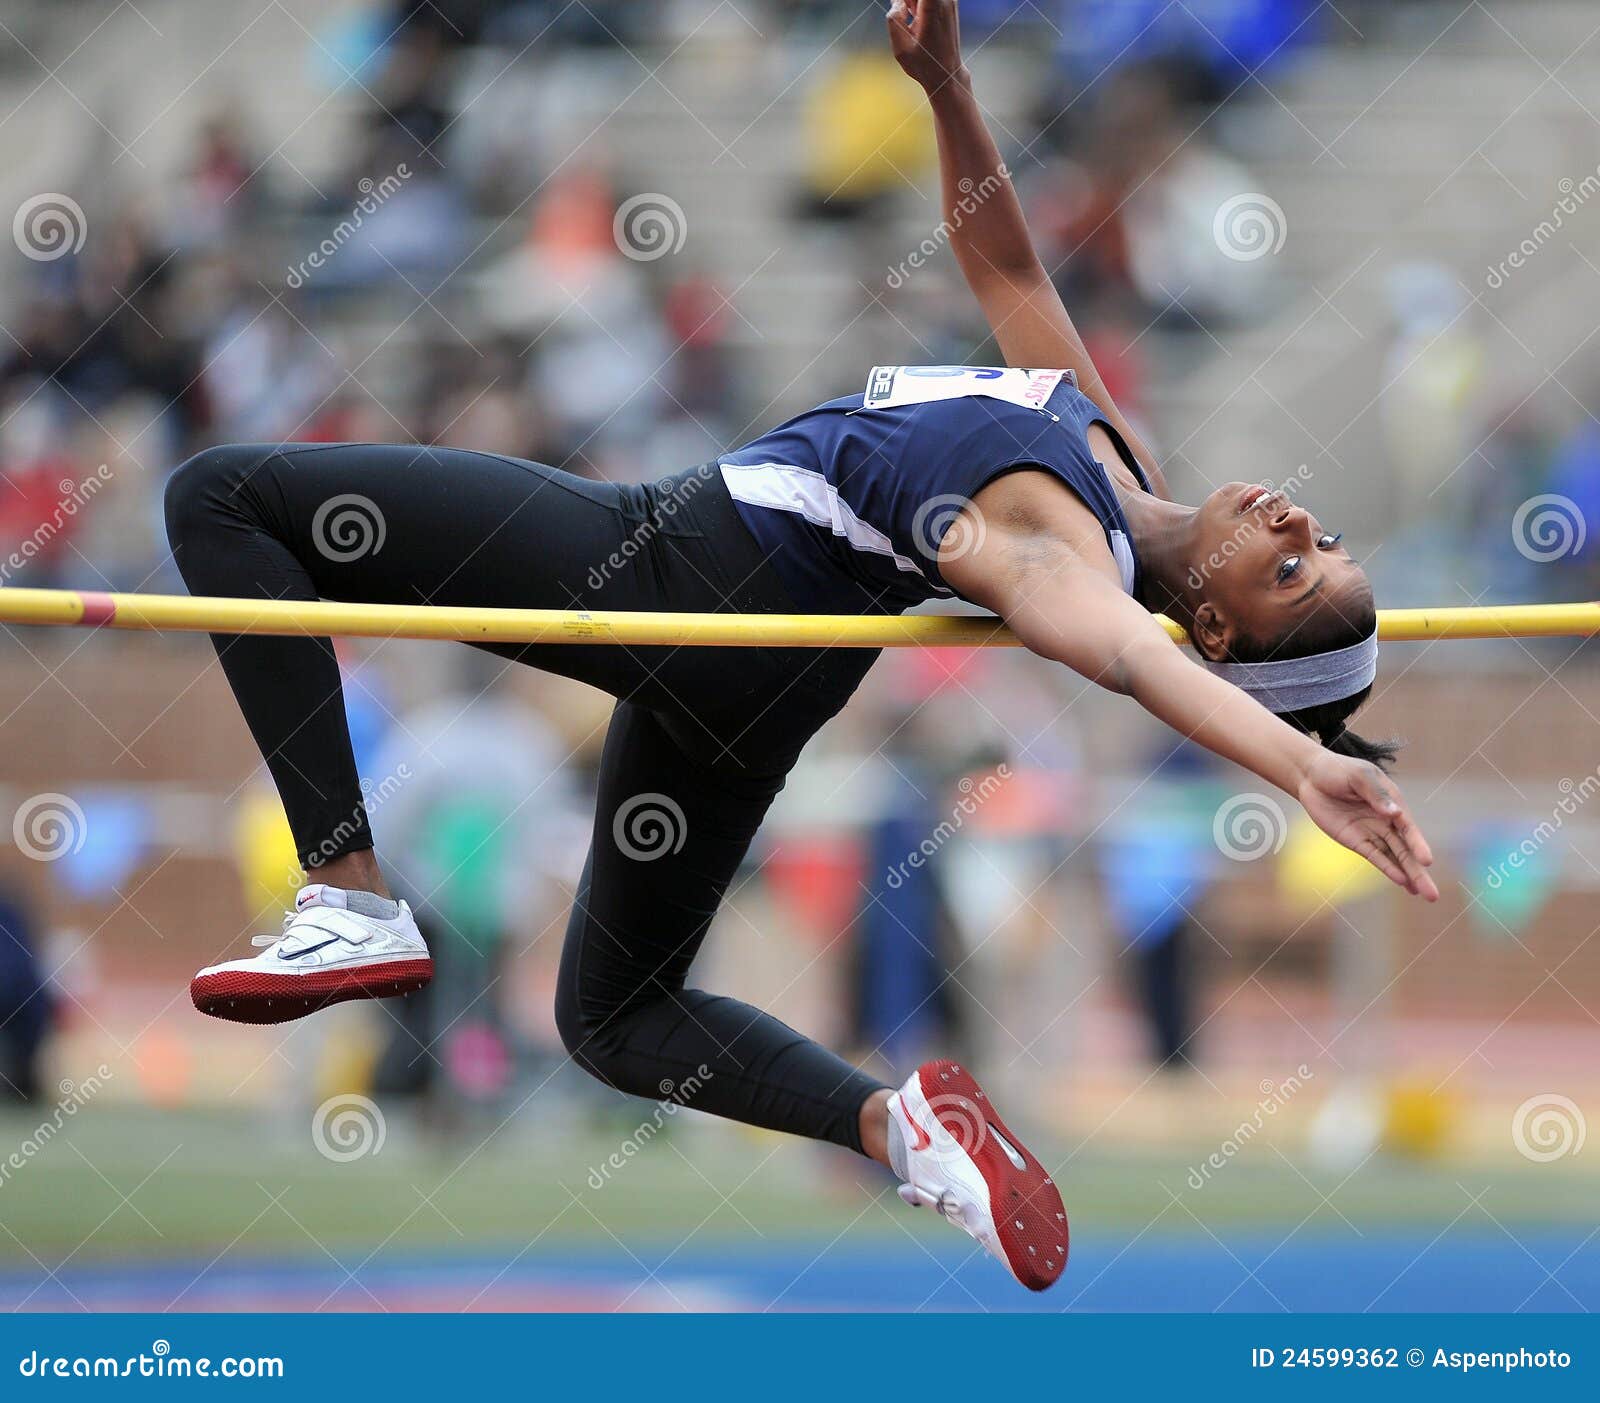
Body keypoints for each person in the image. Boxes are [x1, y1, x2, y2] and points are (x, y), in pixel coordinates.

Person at [162, 0, 1434, 1293]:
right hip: (767, 669)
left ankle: (350, 893)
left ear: (1217, 625)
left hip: (684, 572)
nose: (1296, 521)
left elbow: (1132, 660)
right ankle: (902, 1129)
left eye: (1291, 571)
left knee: (223, 497)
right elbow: (1003, 269)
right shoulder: (1114, 461)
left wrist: (1297, 766)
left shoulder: (1058, 545)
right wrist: (944, 85)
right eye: (1321, 537)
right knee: (615, 1017)